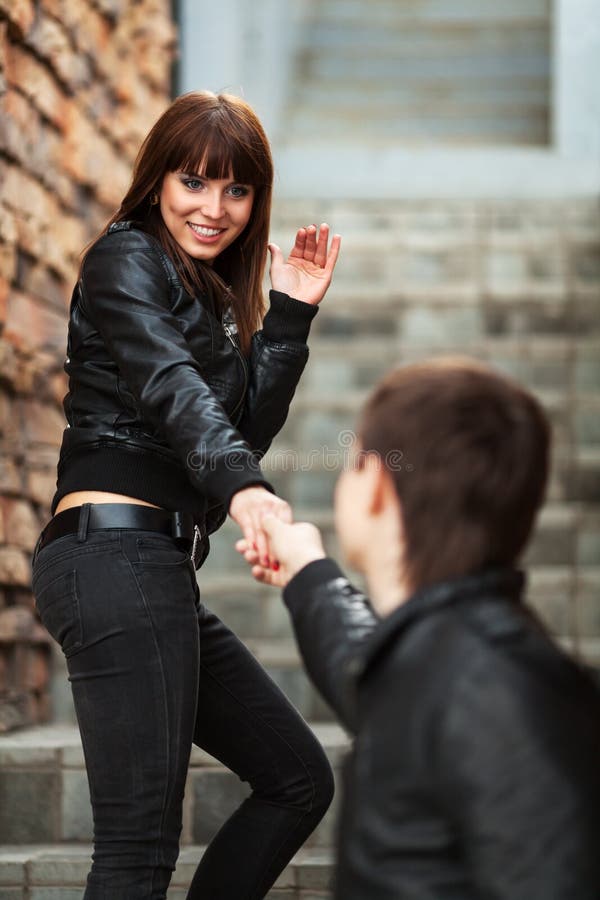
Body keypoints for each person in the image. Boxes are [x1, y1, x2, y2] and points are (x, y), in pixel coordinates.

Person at [31, 91, 340, 900]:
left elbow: (241, 424)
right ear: (157, 180)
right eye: (194, 182)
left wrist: (291, 318)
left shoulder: (204, 287)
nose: (214, 208)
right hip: (111, 554)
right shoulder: (125, 258)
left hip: (151, 566)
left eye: (236, 190)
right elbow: (173, 392)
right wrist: (245, 491)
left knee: (297, 778)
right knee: (138, 851)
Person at [238, 358, 600, 900]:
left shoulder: (498, 690)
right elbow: (374, 672)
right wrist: (308, 573)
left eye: (353, 458)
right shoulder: (452, 656)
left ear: (377, 485)